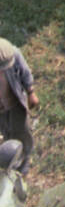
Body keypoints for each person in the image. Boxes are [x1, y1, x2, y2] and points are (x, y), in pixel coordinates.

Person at [0, 38, 39, 175]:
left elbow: (25, 73)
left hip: (15, 102)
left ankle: (25, 157)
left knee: (21, 130)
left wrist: (31, 93)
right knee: (6, 130)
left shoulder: (14, 53)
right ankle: (10, 155)